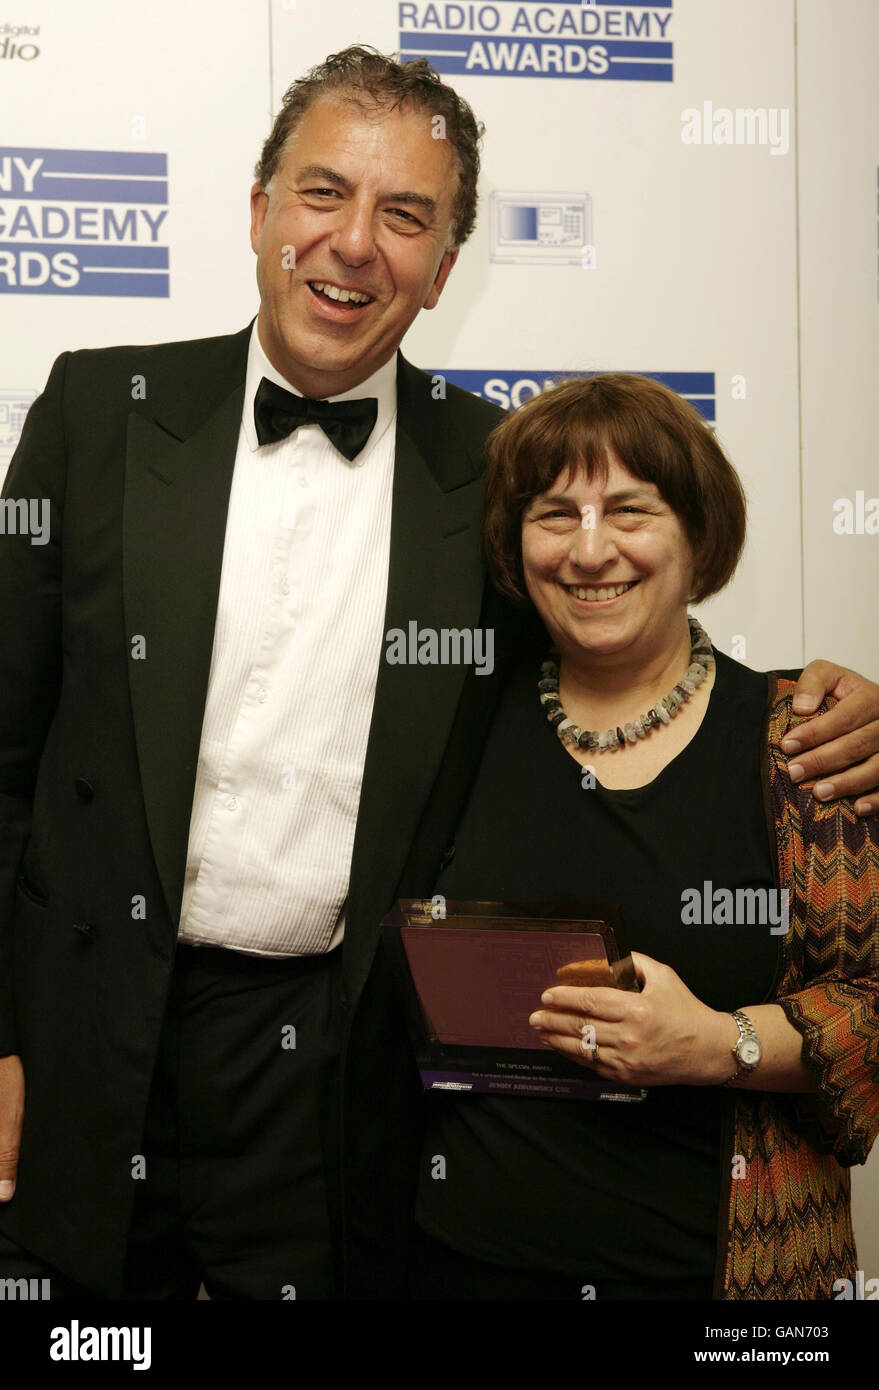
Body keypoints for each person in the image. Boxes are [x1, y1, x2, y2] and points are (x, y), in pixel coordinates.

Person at [0, 47, 877, 1302]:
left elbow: (625, 640)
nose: (355, 244)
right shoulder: (96, 411)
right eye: (322, 194)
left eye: (405, 216)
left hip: (335, 1066)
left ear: (444, 269)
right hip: (84, 1032)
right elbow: (1, 757)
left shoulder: (497, 474)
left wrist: (826, 698)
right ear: (258, 212)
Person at [397, 373, 879, 1300]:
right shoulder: (451, 725)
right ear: (512, 544)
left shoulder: (806, 744)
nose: (589, 550)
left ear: (697, 536)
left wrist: (716, 1042)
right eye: (552, 514)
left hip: (729, 1285)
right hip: (457, 1268)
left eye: (629, 509)